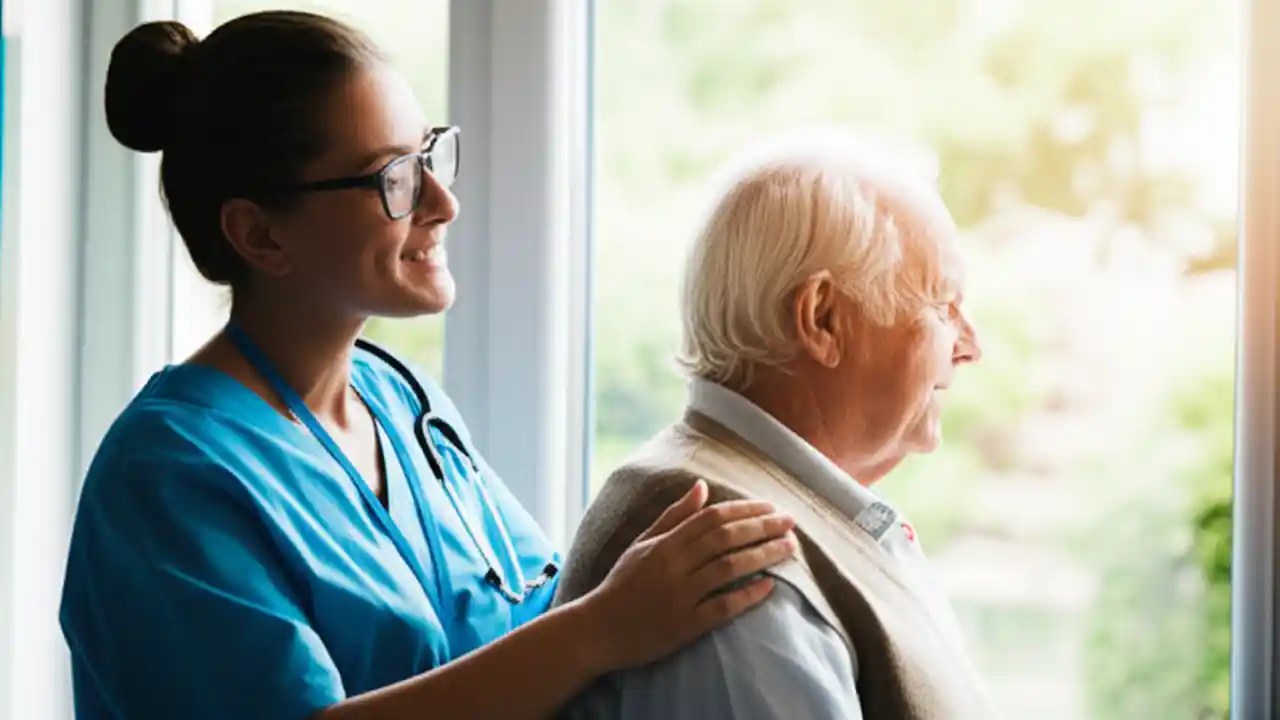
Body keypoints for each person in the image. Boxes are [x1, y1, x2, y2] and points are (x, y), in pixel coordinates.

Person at [58, 12, 799, 720]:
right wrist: (603, 628)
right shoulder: (167, 479)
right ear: (260, 234)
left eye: (430, 156)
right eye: (393, 178)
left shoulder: (401, 401)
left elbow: (546, 610)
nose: (442, 202)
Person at [556, 137, 999, 719]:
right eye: (943, 306)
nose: (971, 346)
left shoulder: (767, 508)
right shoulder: (736, 563)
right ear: (822, 319)